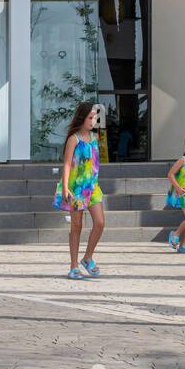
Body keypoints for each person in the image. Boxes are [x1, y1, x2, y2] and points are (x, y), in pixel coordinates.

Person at [53, 101, 106, 279]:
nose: (93, 121)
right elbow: (67, 164)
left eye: (95, 118)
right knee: (77, 226)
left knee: (99, 223)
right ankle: (73, 266)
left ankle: (87, 257)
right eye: (90, 117)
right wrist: (66, 187)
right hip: (76, 189)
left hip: (92, 187)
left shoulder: (95, 138)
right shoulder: (73, 139)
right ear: (82, 118)